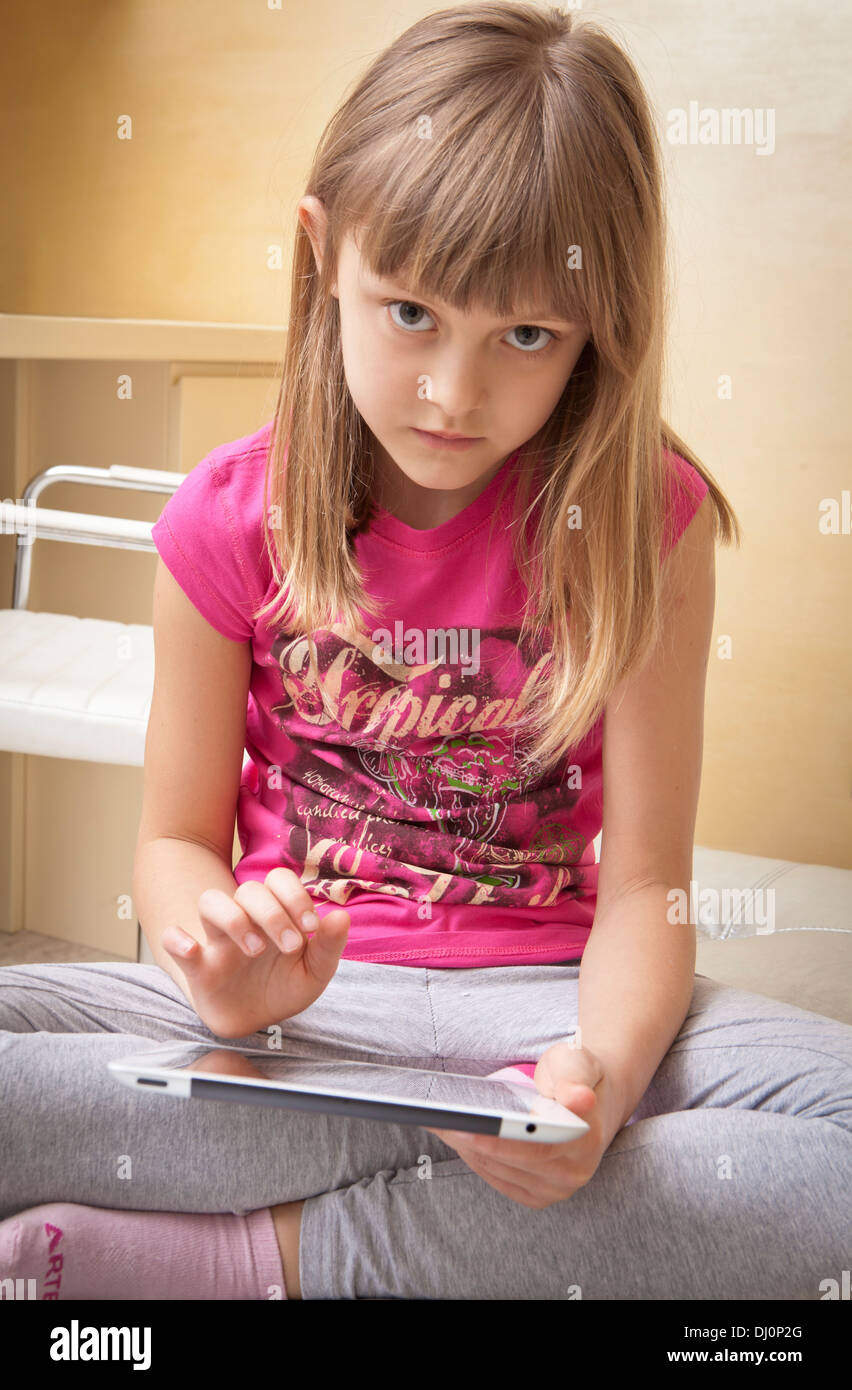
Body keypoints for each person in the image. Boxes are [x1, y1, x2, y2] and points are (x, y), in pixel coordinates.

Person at [1, 2, 849, 1302]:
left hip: (548, 1002)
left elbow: (647, 891)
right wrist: (222, 975)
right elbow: (173, 849)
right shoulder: (223, 518)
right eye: (410, 313)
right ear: (323, 255)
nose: (455, 393)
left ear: (599, 328)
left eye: (524, 336)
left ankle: (251, 1255)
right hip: (293, 1019)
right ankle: (443, 1201)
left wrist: (602, 1087)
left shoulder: (646, 521)